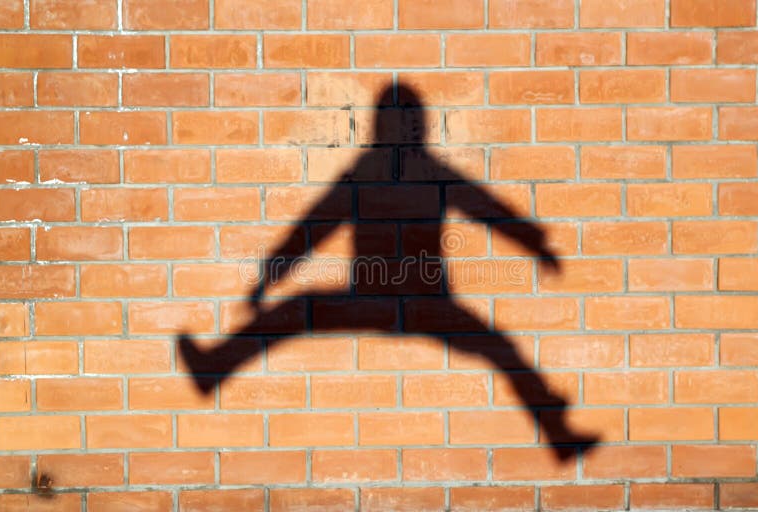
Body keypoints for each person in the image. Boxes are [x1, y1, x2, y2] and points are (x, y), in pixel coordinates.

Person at [179, 83, 597, 458]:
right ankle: (557, 431)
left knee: (295, 311)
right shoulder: (427, 172)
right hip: (421, 304)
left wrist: (270, 276)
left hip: (378, 301)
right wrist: (536, 245)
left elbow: (314, 227)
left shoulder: (371, 173)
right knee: (500, 348)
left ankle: (214, 366)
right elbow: (486, 208)